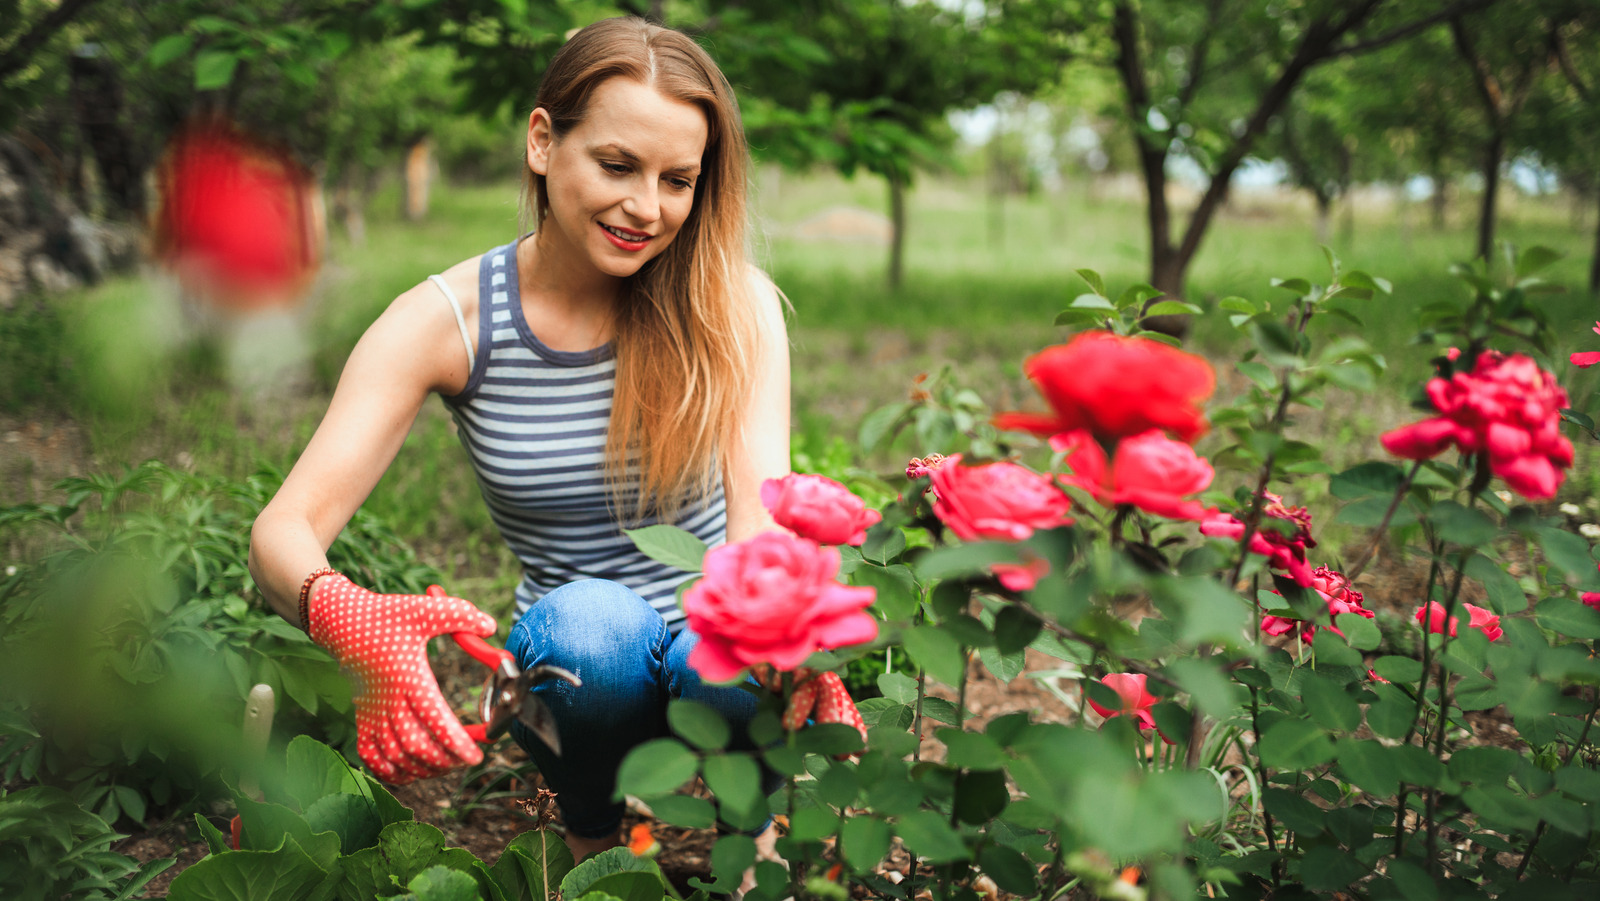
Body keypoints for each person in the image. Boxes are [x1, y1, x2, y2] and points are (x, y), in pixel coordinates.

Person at [247, 16, 790, 862]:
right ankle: (596, 850)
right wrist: (344, 609)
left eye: (677, 180)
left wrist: (793, 640)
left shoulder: (734, 303)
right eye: (616, 165)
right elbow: (280, 533)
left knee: (726, 647)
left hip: (712, 656)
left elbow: (762, 535)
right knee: (594, 628)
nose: (646, 208)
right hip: (575, 670)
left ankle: (752, 845)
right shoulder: (447, 321)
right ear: (543, 141)